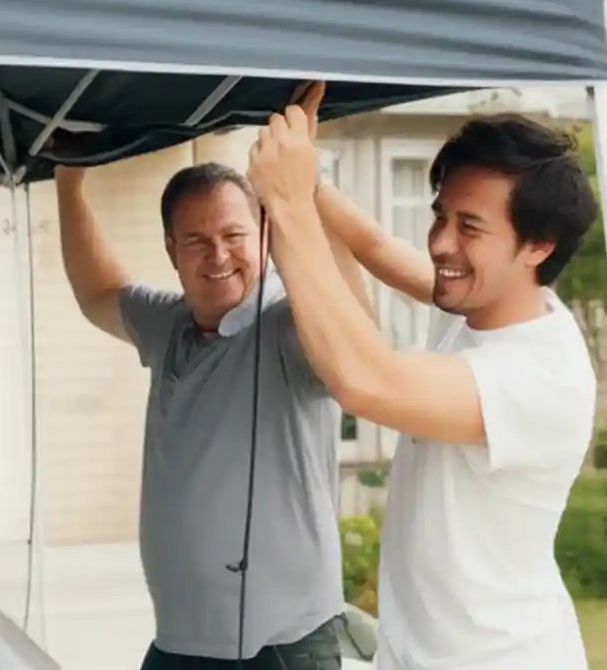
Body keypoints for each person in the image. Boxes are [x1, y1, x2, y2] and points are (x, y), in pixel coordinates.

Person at [247, 82, 600, 670]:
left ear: (538, 245)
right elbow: (379, 248)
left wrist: (286, 205)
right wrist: (308, 187)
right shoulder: (485, 305)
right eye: (440, 216)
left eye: (470, 227)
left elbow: (366, 380)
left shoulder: (540, 374)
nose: (441, 243)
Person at [53, 116, 371, 669]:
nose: (218, 256)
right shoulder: (166, 322)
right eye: (197, 242)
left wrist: (305, 193)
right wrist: (69, 185)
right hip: (179, 643)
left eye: (233, 236)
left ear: (264, 239)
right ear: (172, 251)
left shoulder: (287, 328)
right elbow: (97, 291)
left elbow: (357, 339)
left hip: (280, 648)